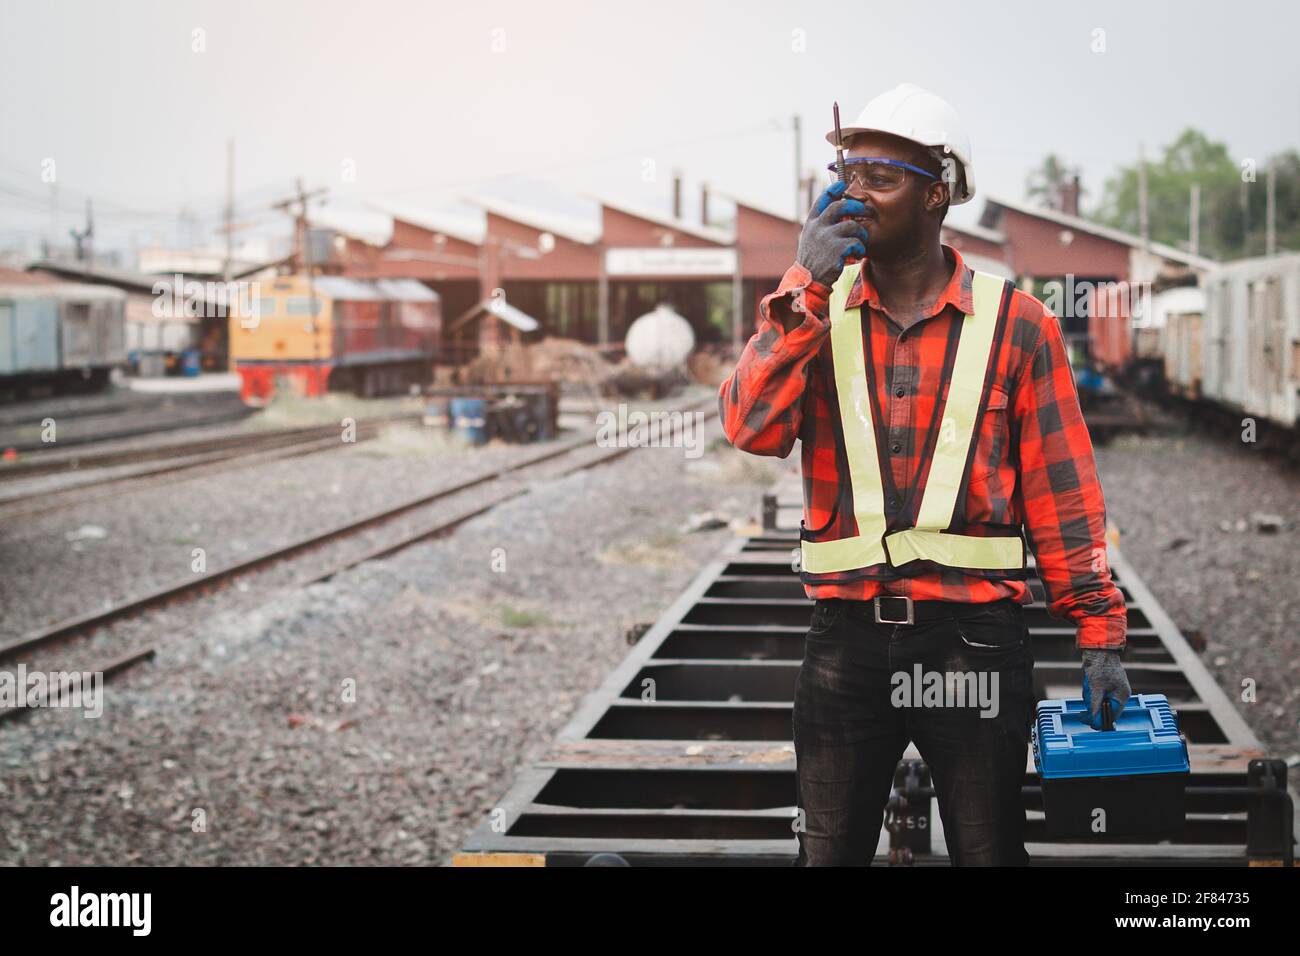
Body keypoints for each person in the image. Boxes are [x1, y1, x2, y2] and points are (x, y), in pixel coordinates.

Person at [717, 83, 1131, 866]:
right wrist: (799, 287)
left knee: (988, 851)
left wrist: (1100, 635)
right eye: (845, 173)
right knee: (828, 854)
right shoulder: (814, 308)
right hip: (846, 648)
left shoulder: (1019, 324)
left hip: (975, 646)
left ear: (937, 193)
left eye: (879, 176)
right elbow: (748, 425)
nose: (853, 194)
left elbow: (1064, 494)